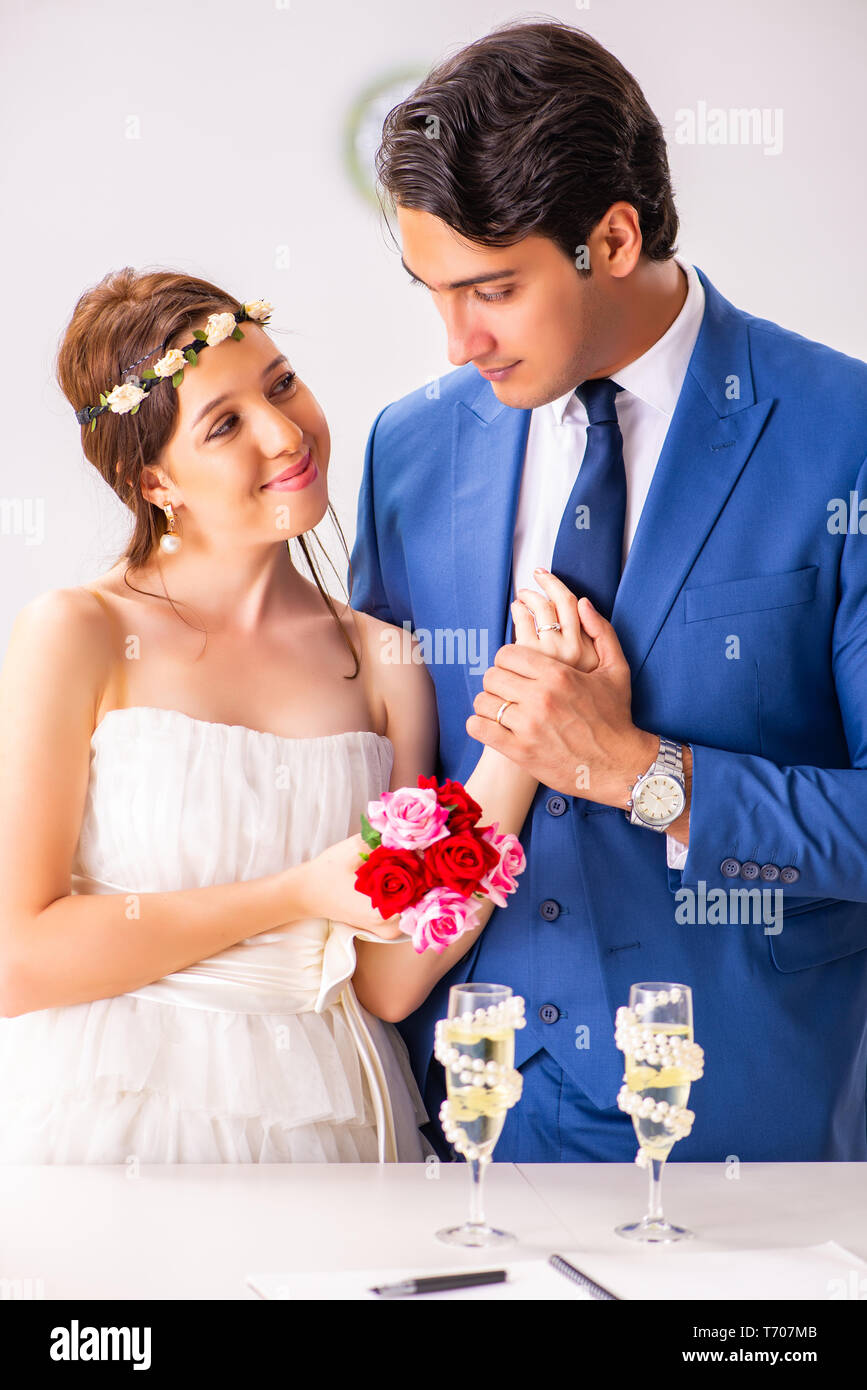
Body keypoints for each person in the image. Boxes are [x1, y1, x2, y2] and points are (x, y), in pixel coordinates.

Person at [350, 19, 867, 1162]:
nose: (455, 342)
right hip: (469, 1126)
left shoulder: (846, 435)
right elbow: (392, 792)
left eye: (491, 289)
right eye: (431, 289)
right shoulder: (410, 447)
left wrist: (641, 774)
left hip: (747, 1137)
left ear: (614, 236)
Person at [0, 267, 596, 1163]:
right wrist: (292, 895)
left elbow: (392, 982)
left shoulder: (383, 661)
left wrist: (525, 732)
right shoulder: (78, 634)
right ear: (155, 480)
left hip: (334, 1115)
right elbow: (18, 958)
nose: (286, 434)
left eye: (281, 384)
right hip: (122, 1111)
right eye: (226, 424)